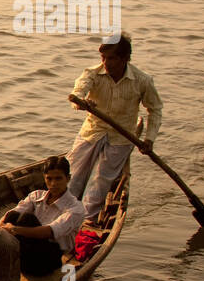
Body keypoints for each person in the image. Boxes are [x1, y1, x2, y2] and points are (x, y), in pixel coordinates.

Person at [67, 34, 162, 220]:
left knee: (99, 184)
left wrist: (149, 139)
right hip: (92, 132)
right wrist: (81, 102)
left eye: (111, 58)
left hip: (121, 138)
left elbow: (155, 110)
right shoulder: (93, 73)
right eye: (103, 58)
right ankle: (62, 216)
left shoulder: (142, 81)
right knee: (72, 178)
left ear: (125, 58)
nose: (105, 63)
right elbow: (77, 92)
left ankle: (85, 223)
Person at [0, 156, 86, 275]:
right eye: (49, 179)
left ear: (68, 178)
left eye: (58, 179)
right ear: (44, 178)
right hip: (30, 249)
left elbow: (49, 232)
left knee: (26, 219)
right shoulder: (36, 196)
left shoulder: (76, 208)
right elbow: (11, 214)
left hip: (51, 258)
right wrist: (3, 225)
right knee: (13, 216)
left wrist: (14, 229)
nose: (53, 184)